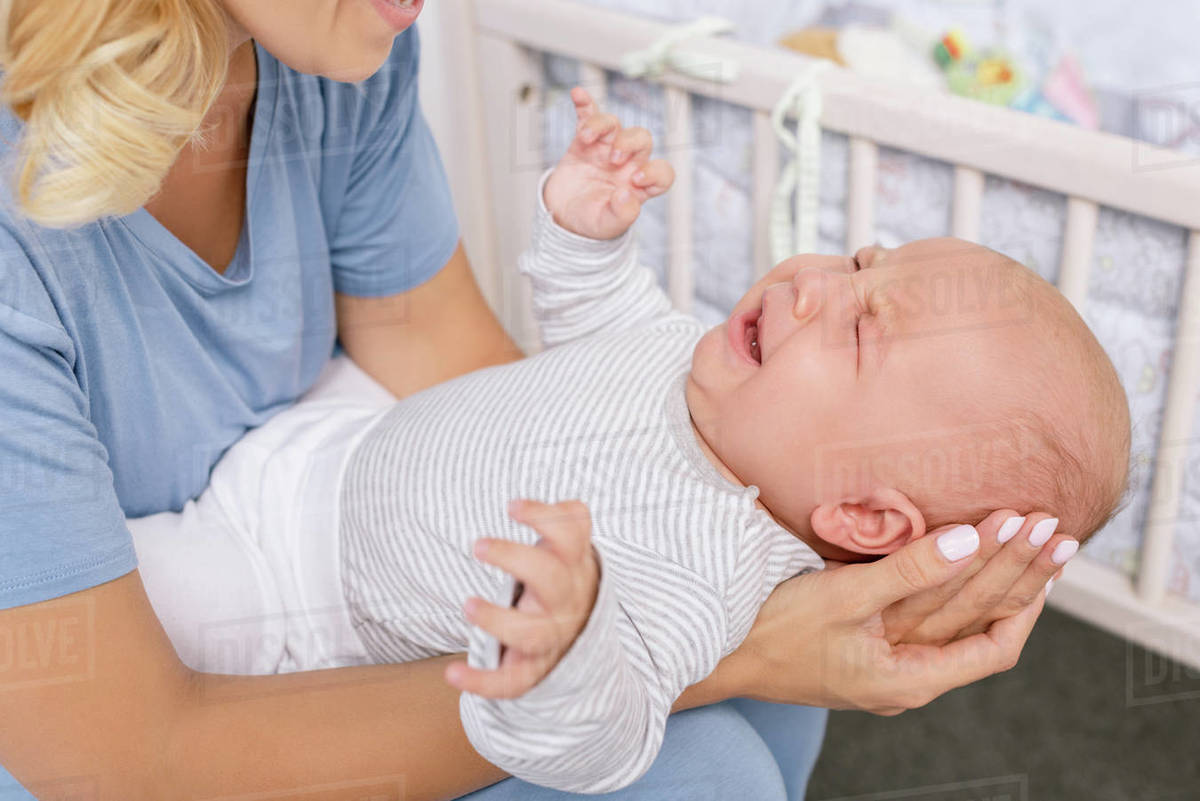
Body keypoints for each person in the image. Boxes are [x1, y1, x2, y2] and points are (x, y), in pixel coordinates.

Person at [0, 3, 1057, 799]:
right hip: (97, 715)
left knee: (771, 711)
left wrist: (748, 597)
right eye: (859, 263)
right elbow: (123, 753)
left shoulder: (339, 50)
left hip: (336, 556)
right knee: (726, 748)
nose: (816, 283)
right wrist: (733, 652)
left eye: (862, 328)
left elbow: (482, 378)